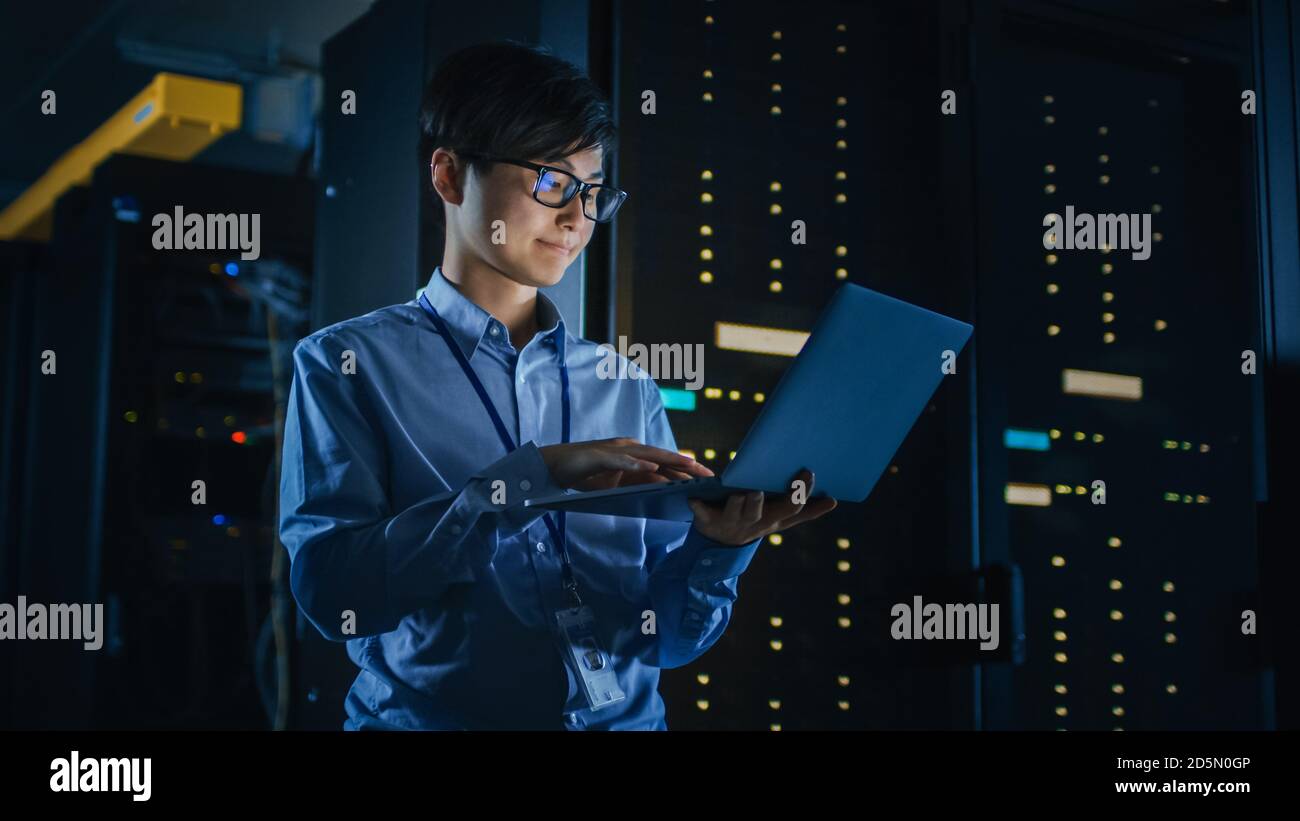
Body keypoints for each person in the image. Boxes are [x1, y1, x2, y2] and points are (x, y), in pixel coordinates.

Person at [278, 40, 836, 730]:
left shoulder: (625, 386)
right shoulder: (345, 364)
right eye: (550, 180)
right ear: (450, 176)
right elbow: (334, 596)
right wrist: (523, 482)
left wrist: (717, 550)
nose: (578, 219)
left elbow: (663, 640)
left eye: (594, 192)